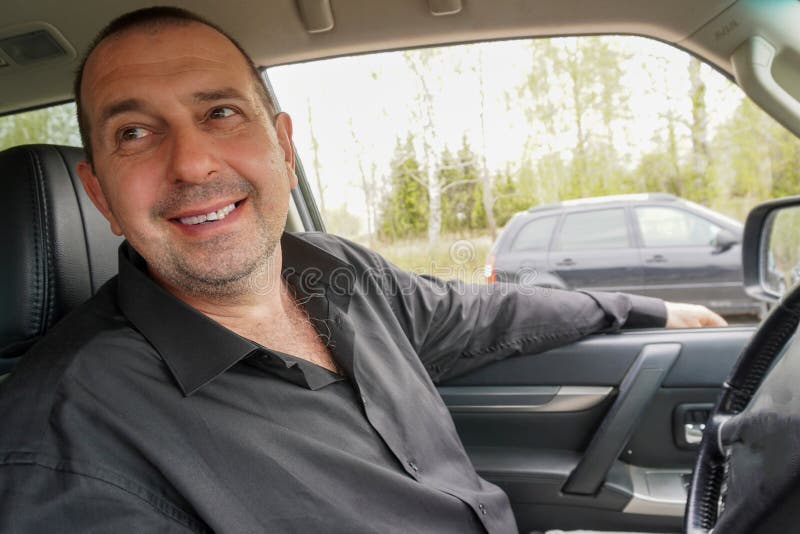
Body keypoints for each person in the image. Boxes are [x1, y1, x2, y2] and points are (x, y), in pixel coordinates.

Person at [0, 7, 725, 533]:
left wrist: (649, 310)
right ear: (100, 195)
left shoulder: (337, 271)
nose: (191, 163)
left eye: (220, 112)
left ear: (284, 148)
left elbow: (481, 311)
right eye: (134, 132)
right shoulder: (60, 443)